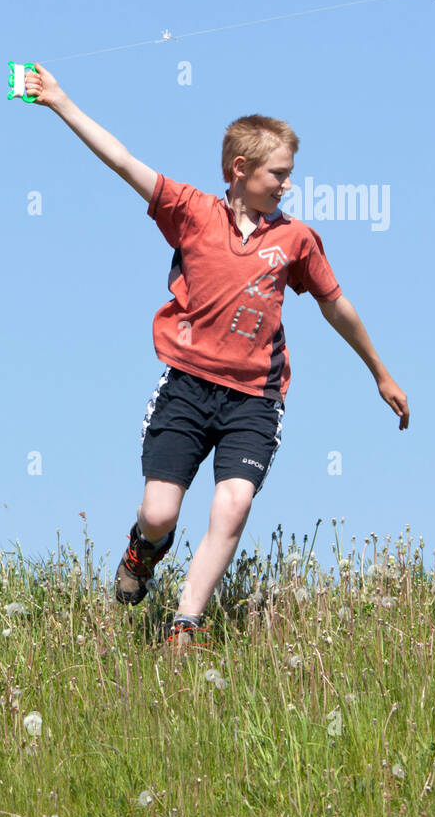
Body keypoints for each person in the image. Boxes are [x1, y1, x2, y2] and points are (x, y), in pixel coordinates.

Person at [24, 62, 409, 653]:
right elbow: (124, 161)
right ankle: (142, 550)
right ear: (241, 170)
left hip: (255, 397)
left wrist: (379, 372)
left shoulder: (297, 241)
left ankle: (186, 625)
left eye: (290, 175)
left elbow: (337, 307)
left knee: (232, 505)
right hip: (187, 387)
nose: (287, 184)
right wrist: (60, 101)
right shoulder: (191, 211)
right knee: (159, 512)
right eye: (279, 174)